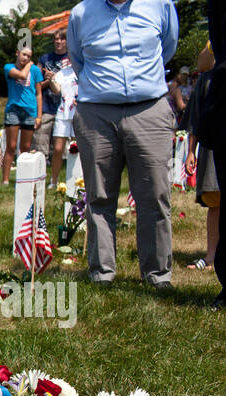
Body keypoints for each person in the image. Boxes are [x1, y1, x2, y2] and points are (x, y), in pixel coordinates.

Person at [67, 0, 178, 289]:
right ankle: (102, 272)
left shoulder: (160, 5)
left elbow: (168, 47)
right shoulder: (81, 13)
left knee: (155, 194)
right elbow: (78, 59)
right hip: (96, 114)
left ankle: (157, 274)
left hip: (149, 109)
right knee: (99, 196)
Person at [186, 42, 220, 272]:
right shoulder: (207, 80)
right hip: (214, 143)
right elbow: (195, 117)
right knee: (216, 202)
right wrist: (190, 151)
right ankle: (211, 256)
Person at [0, 47, 43, 186]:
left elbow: (38, 93)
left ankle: (23, 177)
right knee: (11, 146)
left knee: (25, 147)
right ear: (17, 53)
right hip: (13, 110)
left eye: (29, 57)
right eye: (24, 55)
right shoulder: (9, 67)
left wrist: (39, 116)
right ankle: (5, 179)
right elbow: (22, 76)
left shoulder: (35, 71)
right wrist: (30, 65)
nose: (26, 58)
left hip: (29, 110)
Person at [35, 30, 69, 159]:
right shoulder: (45, 59)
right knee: (40, 142)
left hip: (65, 107)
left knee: (63, 147)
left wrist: (56, 79)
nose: (58, 41)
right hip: (46, 107)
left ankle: (63, 168)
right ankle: (41, 164)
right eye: (56, 39)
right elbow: (36, 85)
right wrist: (48, 80)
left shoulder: (71, 59)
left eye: (62, 39)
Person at [47, 57, 78, 188]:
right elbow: (56, 90)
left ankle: (77, 180)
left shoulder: (84, 69)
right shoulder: (63, 72)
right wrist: (51, 80)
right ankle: (54, 181)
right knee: (58, 149)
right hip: (63, 112)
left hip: (79, 113)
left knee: (76, 148)